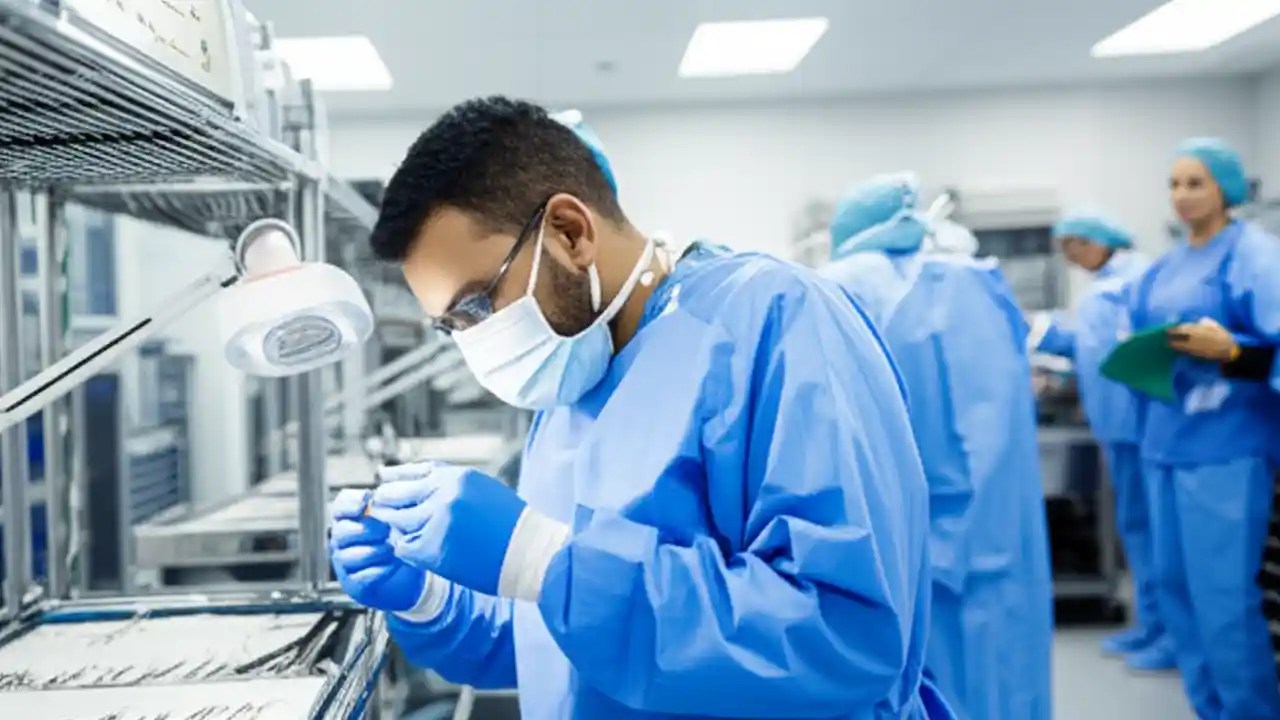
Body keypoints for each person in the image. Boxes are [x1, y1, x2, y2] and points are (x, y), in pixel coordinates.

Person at [327, 98, 952, 720]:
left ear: (570, 233)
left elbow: (842, 636)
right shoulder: (576, 379)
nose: (475, 342)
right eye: (451, 326)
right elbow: (568, 643)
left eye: (480, 306)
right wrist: (428, 598)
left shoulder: (777, 321)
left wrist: (540, 557)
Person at [821, 173, 1053, 720]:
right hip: (998, 529)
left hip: (918, 530)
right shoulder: (977, 283)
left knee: (935, 673)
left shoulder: (852, 285)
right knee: (1004, 667)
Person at [1126, 137, 1280, 719]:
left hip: (1228, 450)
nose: (1183, 196)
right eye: (1174, 184)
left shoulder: (1255, 255)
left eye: (1197, 183)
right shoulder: (1165, 267)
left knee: (1223, 603)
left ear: (1226, 189)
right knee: (1178, 594)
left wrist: (1232, 350)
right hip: (1165, 445)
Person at [1028, 211, 1175, 671]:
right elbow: (1092, 346)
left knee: (1157, 534)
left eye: (1074, 246)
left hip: (1144, 422)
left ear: (1098, 239)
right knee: (1136, 529)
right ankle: (1150, 626)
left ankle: (1170, 634)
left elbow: (1139, 347)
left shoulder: (1139, 276)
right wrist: (1046, 338)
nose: (1070, 257)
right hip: (1116, 425)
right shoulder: (1103, 284)